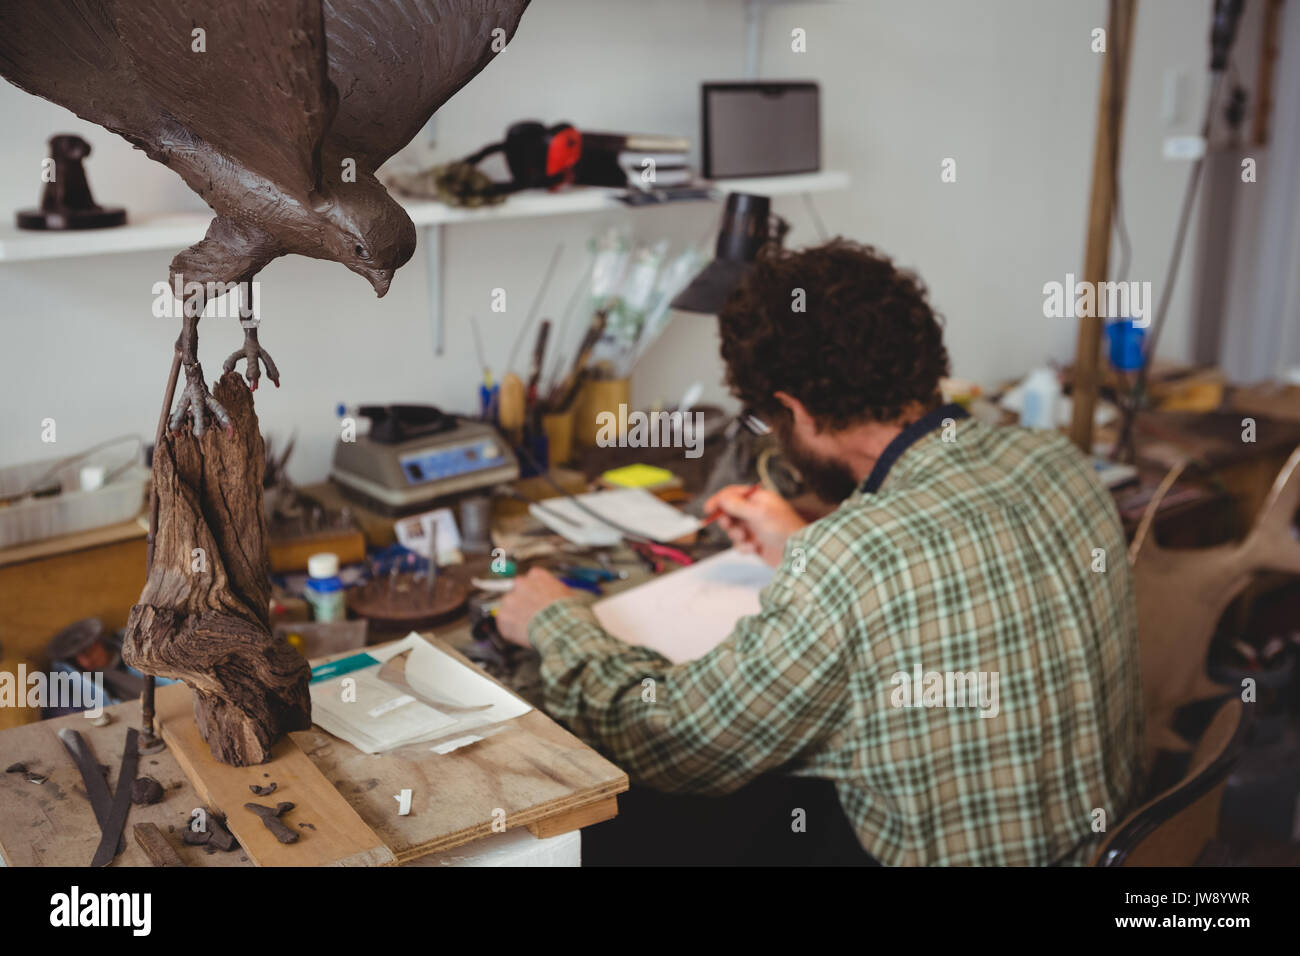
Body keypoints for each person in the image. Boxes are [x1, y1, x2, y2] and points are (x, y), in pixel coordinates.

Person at [497, 239, 1143, 866]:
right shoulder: (1058, 461)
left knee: (654, 821)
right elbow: (952, 569)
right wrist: (808, 550)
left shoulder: (850, 562)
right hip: (1106, 843)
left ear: (794, 409)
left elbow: (675, 737)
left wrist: (556, 622)